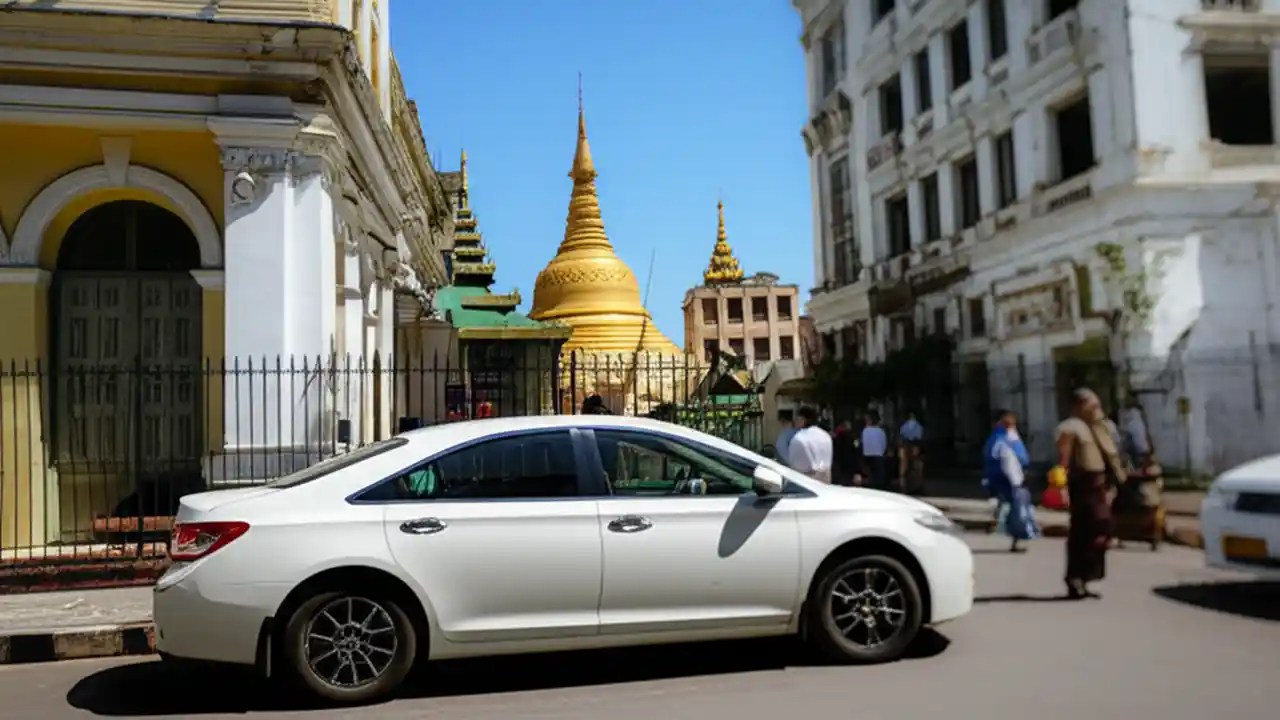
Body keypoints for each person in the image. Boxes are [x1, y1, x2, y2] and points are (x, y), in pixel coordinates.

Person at [1055, 388, 1126, 600]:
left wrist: (1110, 486)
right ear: (1079, 406)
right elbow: (1063, 462)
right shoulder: (1069, 428)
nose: (1097, 410)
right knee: (1081, 534)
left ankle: (1087, 578)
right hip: (1082, 487)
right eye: (1092, 406)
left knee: (1100, 532)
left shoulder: (1098, 428)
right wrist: (1061, 489)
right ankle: (1075, 579)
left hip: (1099, 486)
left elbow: (1110, 458)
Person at [983, 409, 1038, 552]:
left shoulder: (1000, 437)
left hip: (1006, 478)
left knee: (1010, 507)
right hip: (1011, 479)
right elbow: (1009, 461)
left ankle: (1005, 530)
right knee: (1017, 510)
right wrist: (1017, 480)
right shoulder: (1005, 439)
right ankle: (1014, 537)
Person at [788, 406, 833, 483]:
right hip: (826, 478)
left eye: (797, 418)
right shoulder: (826, 436)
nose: (795, 421)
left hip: (806, 480)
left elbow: (794, 464)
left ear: (803, 420)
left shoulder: (799, 438)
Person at [861, 410, 889, 490]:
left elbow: (863, 444)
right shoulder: (881, 431)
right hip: (878, 456)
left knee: (870, 476)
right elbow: (884, 445)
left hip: (867, 456)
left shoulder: (865, 431)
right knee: (878, 477)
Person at [898, 410, 925, 492]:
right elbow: (920, 436)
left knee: (904, 465)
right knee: (917, 466)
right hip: (915, 445)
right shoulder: (919, 426)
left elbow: (901, 435)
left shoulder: (904, 426)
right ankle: (917, 484)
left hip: (906, 445)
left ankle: (903, 484)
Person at [831, 419, 858, 486]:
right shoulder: (853, 437)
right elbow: (856, 451)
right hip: (850, 464)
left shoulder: (836, 438)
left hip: (839, 465)